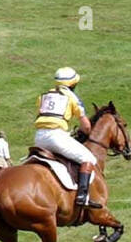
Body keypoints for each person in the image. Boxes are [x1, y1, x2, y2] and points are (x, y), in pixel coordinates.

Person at [34, 67, 101, 208]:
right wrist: (86, 132)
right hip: (56, 136)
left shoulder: (44, 95)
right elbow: (86, 126)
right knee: (89, 159)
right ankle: (83, 196)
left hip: (39, 137)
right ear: (73, 83)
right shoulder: (72, 97)